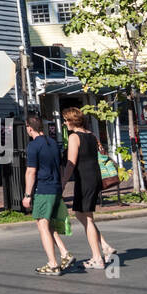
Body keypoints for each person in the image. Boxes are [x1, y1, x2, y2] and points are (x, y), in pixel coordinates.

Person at [60, 107, 117, 269]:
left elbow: (71, 163)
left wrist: (64, 181)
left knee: (88, 218)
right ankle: (105, 246)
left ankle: (97, 258)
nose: (65, 123)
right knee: (80, 214)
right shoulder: (92, 135)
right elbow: (102, 151)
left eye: (66, 120)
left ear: (72, 121)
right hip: (93, 177)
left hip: (85, 179)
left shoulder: (74, 137)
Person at [22, 114, 75, 276]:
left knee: (42, 225)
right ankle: (65, 254)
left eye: (27, 127)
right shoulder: (53, 143)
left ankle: (53, 264)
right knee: (47, 224)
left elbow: (31, 172)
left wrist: (27, 195)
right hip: (55, 187)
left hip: (43, 189)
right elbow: (59, 166)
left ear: (29, 128)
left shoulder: (33, 146)